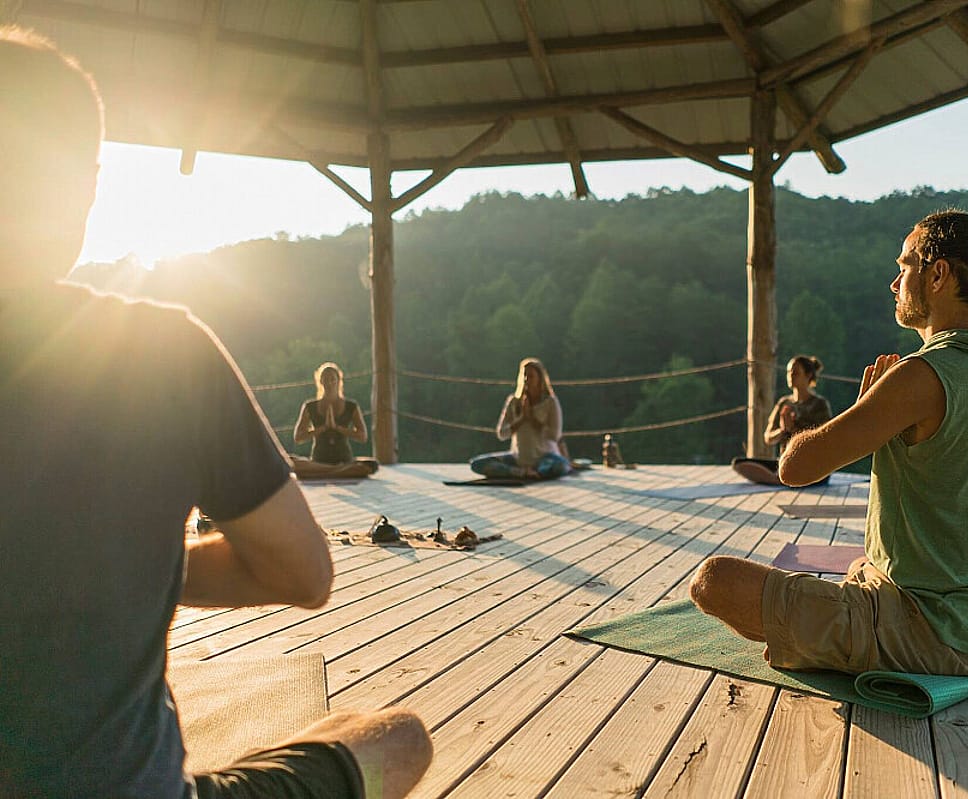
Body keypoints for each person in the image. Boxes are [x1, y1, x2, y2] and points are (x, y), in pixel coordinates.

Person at [0, 27, 430, 799]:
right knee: (397, 737)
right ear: (86, 187)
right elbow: (304, 574)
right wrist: (144, 562)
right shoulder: (159, 350)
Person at [690, 210, 968, 677]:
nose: (894, 283)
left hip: (930, 633)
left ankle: (831, 643)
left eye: (904, 267)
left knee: (714, 581)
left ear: (937, 274)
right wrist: (875, 416)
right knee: (862, 563)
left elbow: (794, 469)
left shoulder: (922, 375)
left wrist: (862, 411)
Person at [732, 354, 832, 485]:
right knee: (739, 464)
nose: (790, 376)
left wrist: (794, 429)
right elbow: (768, 437)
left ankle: (781, 479)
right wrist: (783, 430)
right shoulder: (784, 402)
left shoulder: (820, 404)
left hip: (810, 464)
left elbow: (824, 440)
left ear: (808, 376)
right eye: (789, 372)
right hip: (785, 462)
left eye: (795, 372)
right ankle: (780, 479)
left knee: (816, 474)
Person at [470, 357, 571, 480]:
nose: (527, 379)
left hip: (545, 458)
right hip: (518, 458)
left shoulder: (551, 402)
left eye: (531, 376)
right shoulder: (514, 401)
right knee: (477, 464)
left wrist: (532, 419)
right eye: (524, 375)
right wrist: (521, 419)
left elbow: (554, 436)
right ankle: (521, 473)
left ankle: (538, 472)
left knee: (561, 466)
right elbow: (502, 434)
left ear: (540, 379)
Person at [291, 361, 378, 479]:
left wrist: (337, 428)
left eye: (332, 379)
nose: (329, 383)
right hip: (319, 461)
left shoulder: (351, 406)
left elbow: (362, 436)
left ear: (339, 381)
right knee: (291, 461)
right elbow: (298, 437)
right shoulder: (309, 406)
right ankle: (336, 471)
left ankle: (329, 472)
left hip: (344, 460)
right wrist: (323, 428)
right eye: (325, 379)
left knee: (371, 465)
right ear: (320, 381)